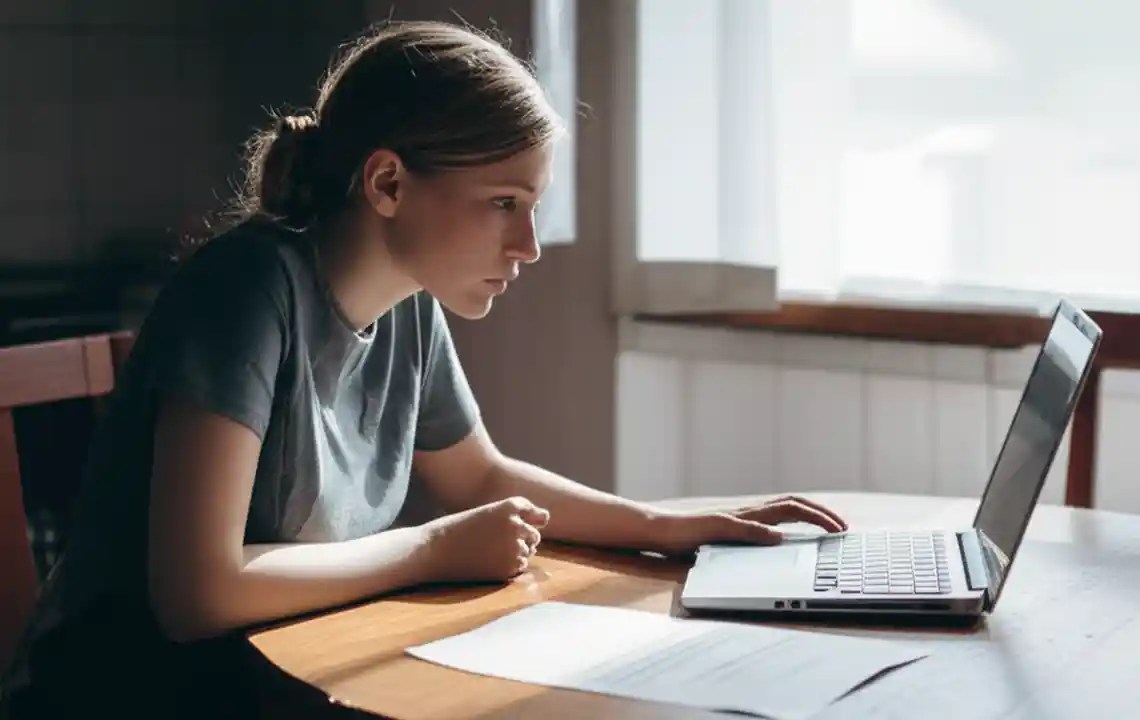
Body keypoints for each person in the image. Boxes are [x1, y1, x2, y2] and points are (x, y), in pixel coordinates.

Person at [0, 20, 847, 718]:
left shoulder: (409, 306)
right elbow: (198, 593)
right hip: (133, 700)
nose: (529, 247)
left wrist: (669, 528)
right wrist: (432, 548)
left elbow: (478, 473)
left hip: (277, 684)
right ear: (388, 182)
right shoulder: (246, 291)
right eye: (504, 205)